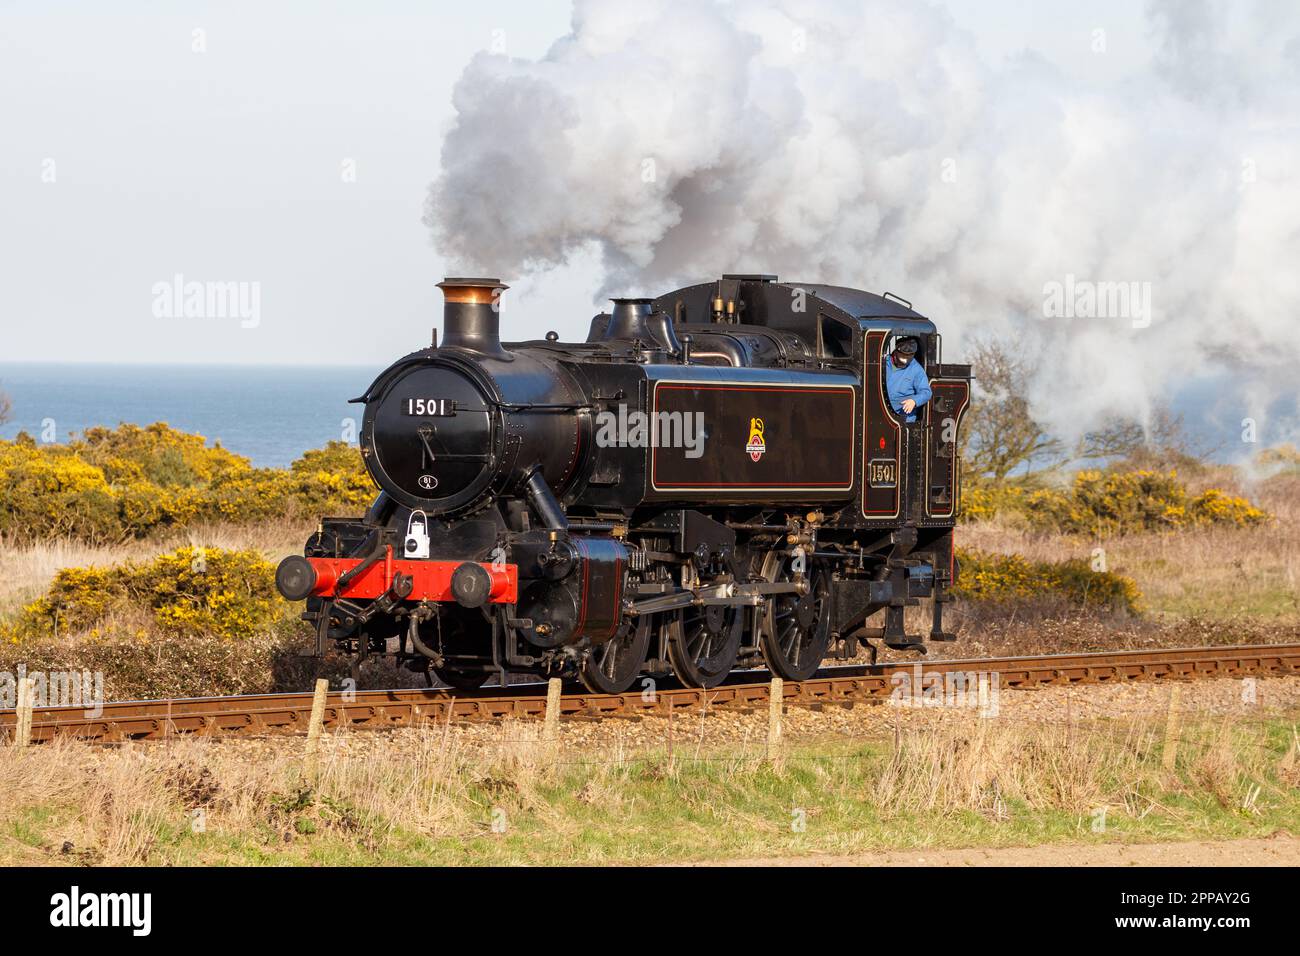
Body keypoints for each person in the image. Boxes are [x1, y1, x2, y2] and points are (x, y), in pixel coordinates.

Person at [884, 336, 931, 422]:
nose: (907, 358)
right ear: (896, 352)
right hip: (881, 413)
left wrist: (914, 401)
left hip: (903, 419)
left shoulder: (917, 370)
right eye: (904, 354)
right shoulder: (883, 363)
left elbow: (926, 392)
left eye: (910, 355)